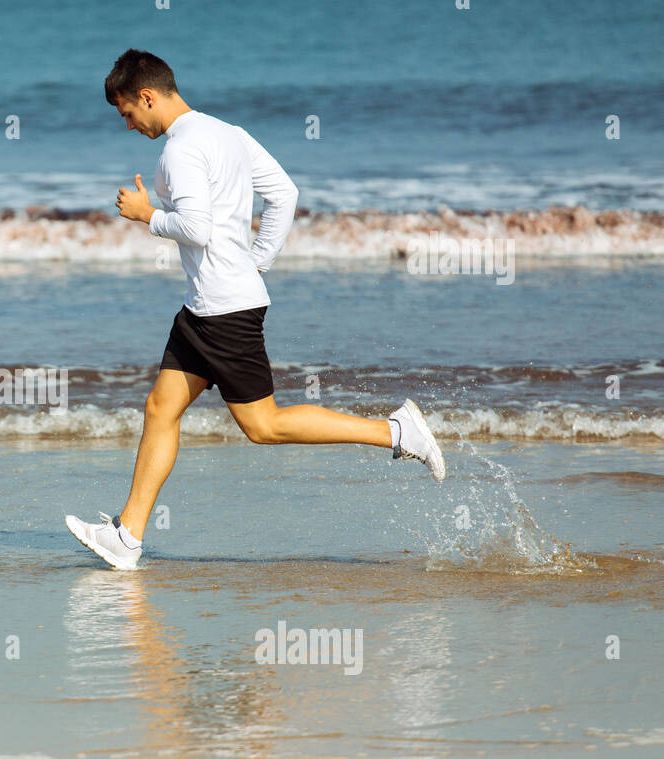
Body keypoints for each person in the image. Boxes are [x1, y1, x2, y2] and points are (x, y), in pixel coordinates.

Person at [66, 49, 445, 570]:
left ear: (146, 96)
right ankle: (126, 536)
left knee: (263, 425)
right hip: (206, 306)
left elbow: (195, 228)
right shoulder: (230, 134)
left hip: (223, 311)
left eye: (127, 113)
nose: (128, 126)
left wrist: (147, 215)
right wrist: (256, 260)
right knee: (161, 408)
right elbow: (285, 195)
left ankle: (397, 433)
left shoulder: (179, 151)